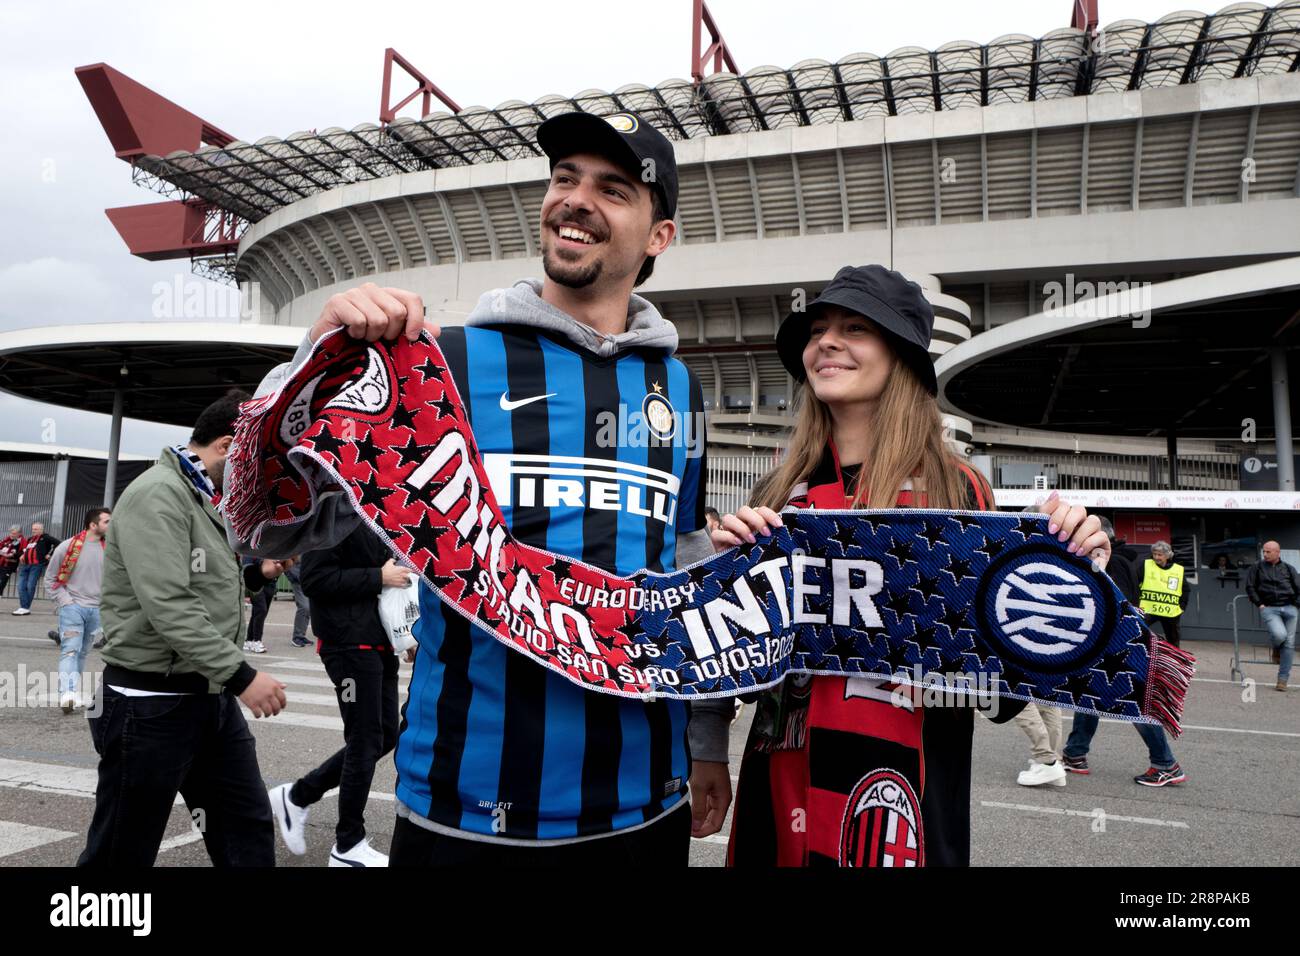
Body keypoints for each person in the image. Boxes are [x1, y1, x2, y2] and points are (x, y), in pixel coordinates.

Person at [235, 110, 730, 865]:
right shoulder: (448, 363)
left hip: (644, 810)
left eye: (613, 189)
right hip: (463, 814)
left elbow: (687, 573)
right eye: (564, 179)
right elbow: (274, 524)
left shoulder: (679, 389)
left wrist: (705, 743)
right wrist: (311, 363)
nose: (576, 199)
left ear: (659, 235)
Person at [717, 265, 1111, 866]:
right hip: (781, 789)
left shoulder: (957, 490)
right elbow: (742, 673)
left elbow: (1002, 687)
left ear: (900, 357)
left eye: (854, 327)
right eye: (818, 328)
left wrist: (1074, 568)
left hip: (909, 799)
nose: (826, 341)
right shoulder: (779, 490)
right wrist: (725, 585)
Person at [78, 390, 292, 867]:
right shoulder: (158, 494)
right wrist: (242, 677)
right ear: (223, 446)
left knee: (245, 825)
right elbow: (169, 603)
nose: (257, 469)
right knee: (123, 847)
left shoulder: (204, 498)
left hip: (207, 700)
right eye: (253, 456)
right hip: (150, 707)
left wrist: (259, 574)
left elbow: (200, 583)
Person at [268, 528, 410, 867]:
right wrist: (378, 576)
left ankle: (298, 795)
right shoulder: (333, 512)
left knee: (386, 734)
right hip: (347, 641)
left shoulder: (375, 513)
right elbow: (315, 580)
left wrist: (407, 631)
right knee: (365, 739)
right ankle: (347, 844)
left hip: (380, 639)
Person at [1061, 517, 1187, 787]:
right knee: (1089, 697)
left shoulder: (1113, 562)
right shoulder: (1124, 561)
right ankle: (1075, 754)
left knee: (1132, 703)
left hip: (1117, 645)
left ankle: (1166, 764)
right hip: (1114, 643)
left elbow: (1109, 602)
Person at [44, 507, 111, 713]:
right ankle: (67, 693)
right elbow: (50, 579)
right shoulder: (67, 547)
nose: (112, 525)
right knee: (70, 650)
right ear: (93, 525)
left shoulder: (110, 548)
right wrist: (66, 602)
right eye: (107, 521)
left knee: (82, 653)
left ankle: (71, 692)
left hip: (96, 610)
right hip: (72, 607)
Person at [1246, 540, 1299, 692]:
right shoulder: (1257, 567)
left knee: (1289, 644)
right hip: (1269, 608)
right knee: (1280, 635)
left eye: (1268, 552)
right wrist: (1260, 604)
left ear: (1277, 552)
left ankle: (1282, 680)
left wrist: (1296, 604)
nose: (1265, 554)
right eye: (1264, 551)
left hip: (1290, 608)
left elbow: (1298, 587)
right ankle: (1276, 647)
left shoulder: (1288, 568)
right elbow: (1250, 586)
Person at [1139, 540, 1186, 648]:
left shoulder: (1178, 570)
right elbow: (1136, 582)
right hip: (1148, 609)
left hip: (1170, 611)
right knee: (1137, 630)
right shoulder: (1146, 565)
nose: (1156, 557)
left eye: (1159, 555)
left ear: (1167, 555)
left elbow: (1185, 589)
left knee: (1173, 641)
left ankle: (1175, 662)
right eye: (1154, 554)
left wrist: (1182, 606)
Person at [12, 520, 59, 616]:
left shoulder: (45, 537)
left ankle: (24, 607)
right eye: (33, 529)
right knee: (20, 586)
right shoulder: (30, 539)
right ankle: (25, 607)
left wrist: (50, 554)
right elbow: (26, 550)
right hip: (25, 565)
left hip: (36, 565)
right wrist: (22, 555)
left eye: (36, 529)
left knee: (30, 586)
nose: (33, 530)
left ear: (41, 530)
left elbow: (59, 543)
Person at [0, 524, 22, 600]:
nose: (12, 535)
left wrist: (14, 554)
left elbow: (22, 553)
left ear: (19, 534)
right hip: (1, 563)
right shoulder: (6, 540)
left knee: (2, 582)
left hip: (9, 565)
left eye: (14, 533)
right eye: (11, 533)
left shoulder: (21, 542)